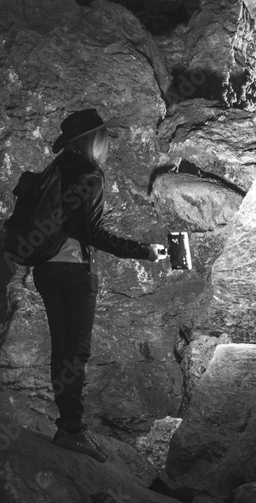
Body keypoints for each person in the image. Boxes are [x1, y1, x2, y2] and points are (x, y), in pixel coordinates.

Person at [33, 108, 166, 463]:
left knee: (62, 351)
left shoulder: (54, 170)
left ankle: (68, 426)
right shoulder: (90, 174)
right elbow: (92, 233)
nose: (106, 143)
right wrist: (144, 251)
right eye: (103, 137)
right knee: (75, 353)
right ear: (93, 140)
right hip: (74, 272)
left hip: (45, 269)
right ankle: (72, 432)